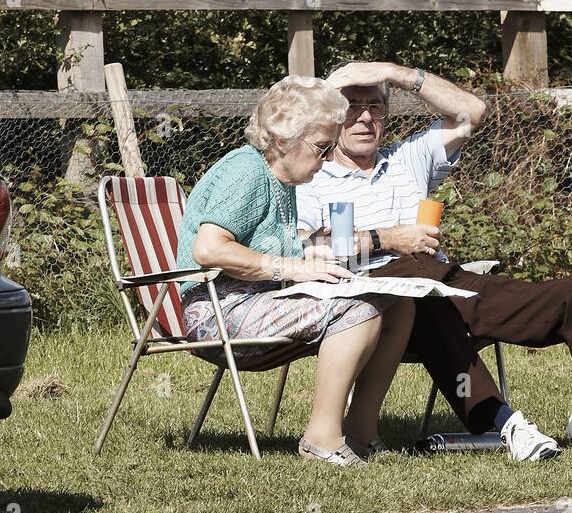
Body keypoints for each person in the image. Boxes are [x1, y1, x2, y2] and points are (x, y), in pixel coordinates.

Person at [295, 61, 572, 462]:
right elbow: (305, 247)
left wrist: (393, 73)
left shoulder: (408, 158)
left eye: (376, 107)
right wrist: (388, 239)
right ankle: (505, 423)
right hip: (379, 304)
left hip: (451, 281)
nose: (365, 118)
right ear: (332, 117)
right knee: (418, 285)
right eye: (352, 108)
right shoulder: (312, 177)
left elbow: (472, 111)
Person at [176, 74, 415, 466]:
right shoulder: (245, 170)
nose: (325, 160)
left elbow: (261, 242)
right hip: (218, 310)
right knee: (358, 308)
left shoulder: (282, 179)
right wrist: (292, 267)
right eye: (321, 148)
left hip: (256, 299)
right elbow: (209, 248)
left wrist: (309, 253)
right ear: (284, 139)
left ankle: (361, 434)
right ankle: (321, 439)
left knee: (398, 303)